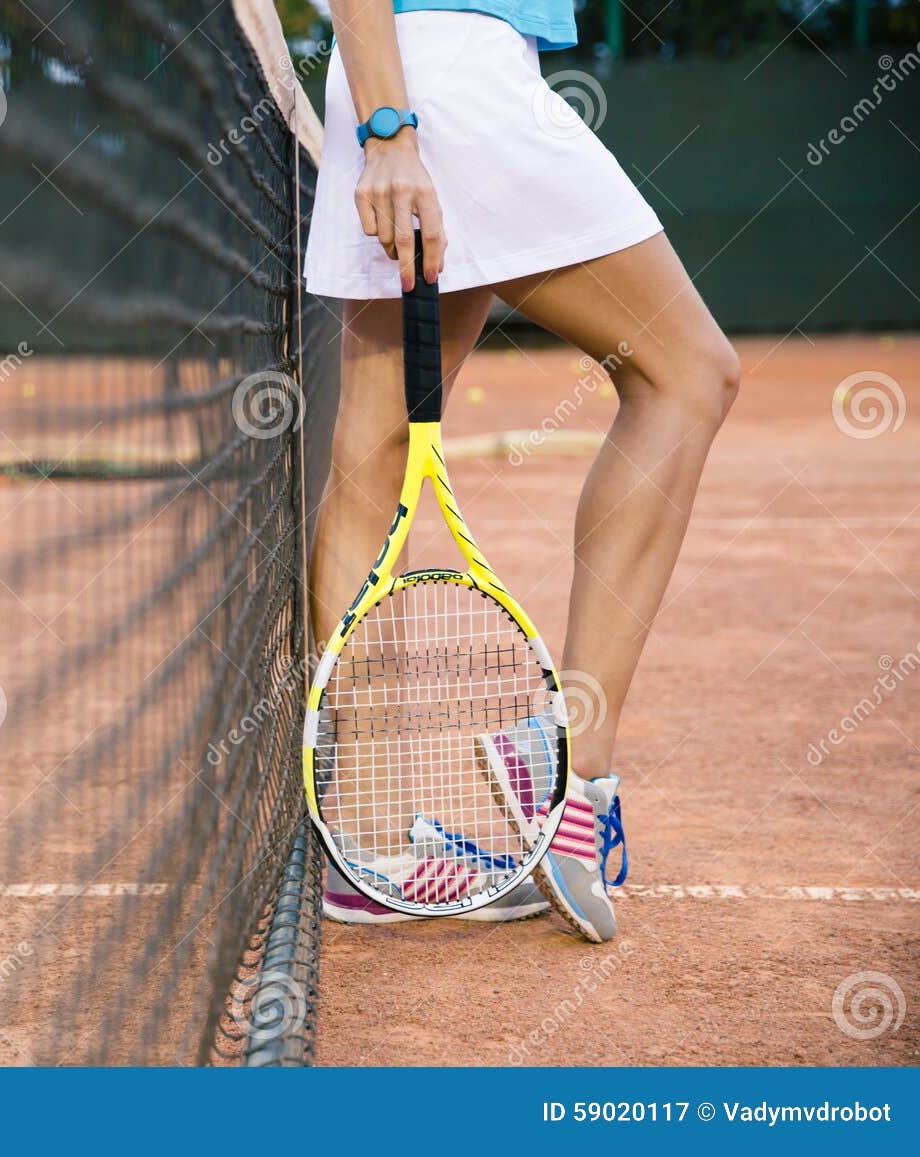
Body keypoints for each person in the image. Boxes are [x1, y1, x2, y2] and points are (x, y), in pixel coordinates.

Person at [306, 1, 740, 941]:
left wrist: (386, 120)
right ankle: (569, 760)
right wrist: (392, 131)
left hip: (413, 91)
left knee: (373, 462)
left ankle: (369, 849)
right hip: (445, 91)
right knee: (686, 373)